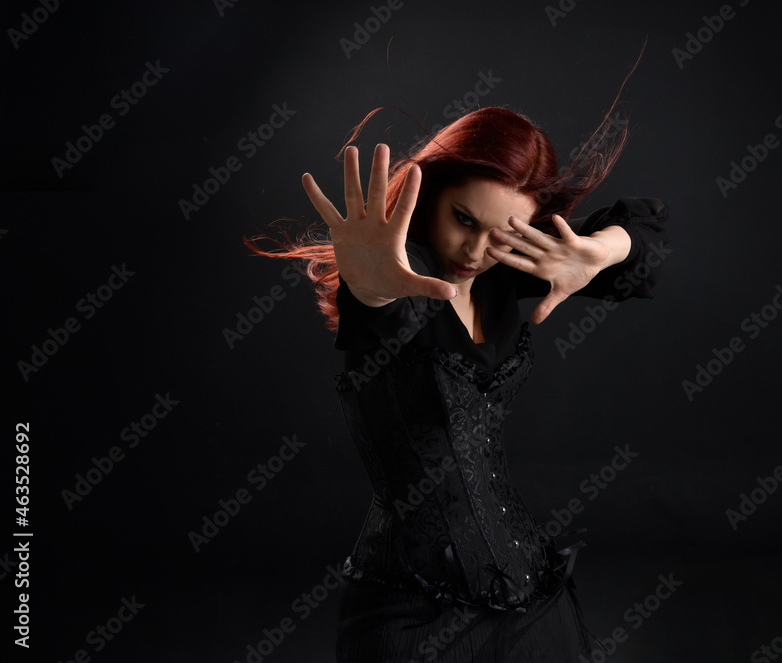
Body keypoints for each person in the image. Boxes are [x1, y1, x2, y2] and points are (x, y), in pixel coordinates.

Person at [251, 105, 667, 661]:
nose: (475, 252)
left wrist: (600, 251)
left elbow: (648, 244)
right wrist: (369, 290)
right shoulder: (400, 272)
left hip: (530, 596)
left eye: (501, 235)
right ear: (431, 197)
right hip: (411, 608)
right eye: (464, 219)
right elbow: (380, 319)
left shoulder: (501, 273)